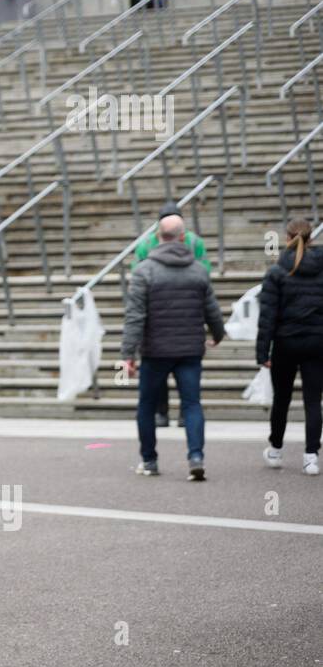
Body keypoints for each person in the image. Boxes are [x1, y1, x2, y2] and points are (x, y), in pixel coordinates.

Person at [121, 215, 225, 480]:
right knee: (192, 404)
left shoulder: (144, 270)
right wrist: (218, 334)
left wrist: (127, 356)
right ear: (183, 237)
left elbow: (135, 316)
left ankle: (149, 460)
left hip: (155, 352)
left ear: (158, 237)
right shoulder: (199, 270)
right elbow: (211, 309)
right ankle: (196, 456)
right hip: (190, 350)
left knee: (146, 405)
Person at [134, 202, 211, 429]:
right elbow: (204, 274)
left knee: (157, 373)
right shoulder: (193, 241)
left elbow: (136, 277)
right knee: (187, 377)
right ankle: (183, 414)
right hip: (186, 315)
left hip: (159, 318)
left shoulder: (147, 243)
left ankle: (162, 413)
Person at [256, 219, 323, 475]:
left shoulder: (277, 271)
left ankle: (275, 449)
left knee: (281, 400)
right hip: (317, 341)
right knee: (313, 401)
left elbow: (267, 317)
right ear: (311, 239)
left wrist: (262, 353)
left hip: (286, 342)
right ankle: (311, 456)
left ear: (287, 239)